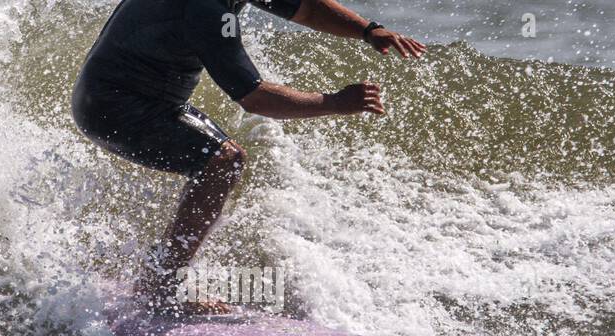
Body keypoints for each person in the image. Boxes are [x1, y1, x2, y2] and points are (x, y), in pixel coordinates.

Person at [71, 0, 425, 314]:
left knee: (220, 159)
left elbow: (308, 8)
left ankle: (155, 272)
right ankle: (159, 286)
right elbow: (255, 98)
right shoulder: (205, 8)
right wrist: (336, 102)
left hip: (144, 101)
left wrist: (368, 30)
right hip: (113, 107)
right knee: (224, 159)